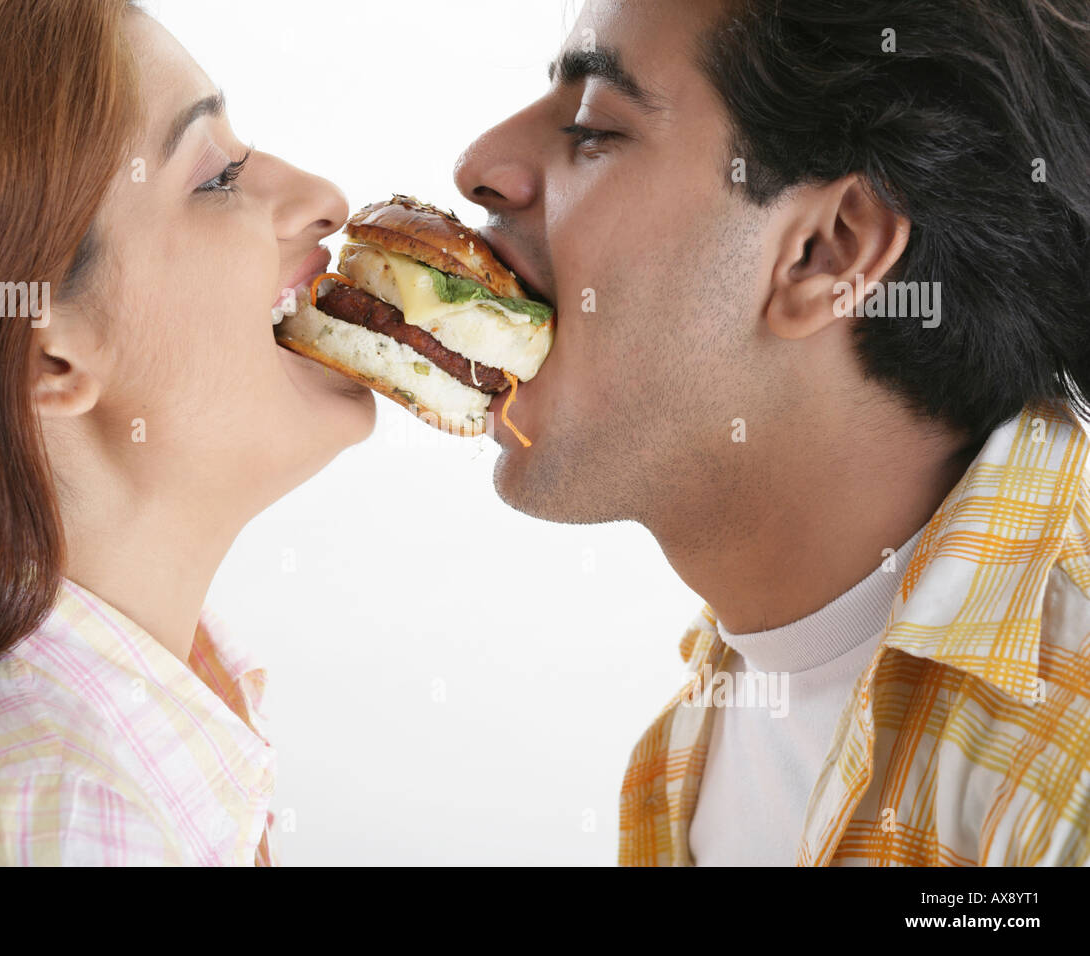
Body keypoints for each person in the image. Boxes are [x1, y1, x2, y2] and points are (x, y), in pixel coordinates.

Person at [453, 0, 1090, 865]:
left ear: (826, 253)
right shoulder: (696, 740)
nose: (478, 165)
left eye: (595, 129)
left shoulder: (1066, 774)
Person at [0, 0, 375, 865]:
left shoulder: (73, 743)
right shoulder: (63, 813)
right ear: (50, 359)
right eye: (217, 177)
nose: (326, 201)